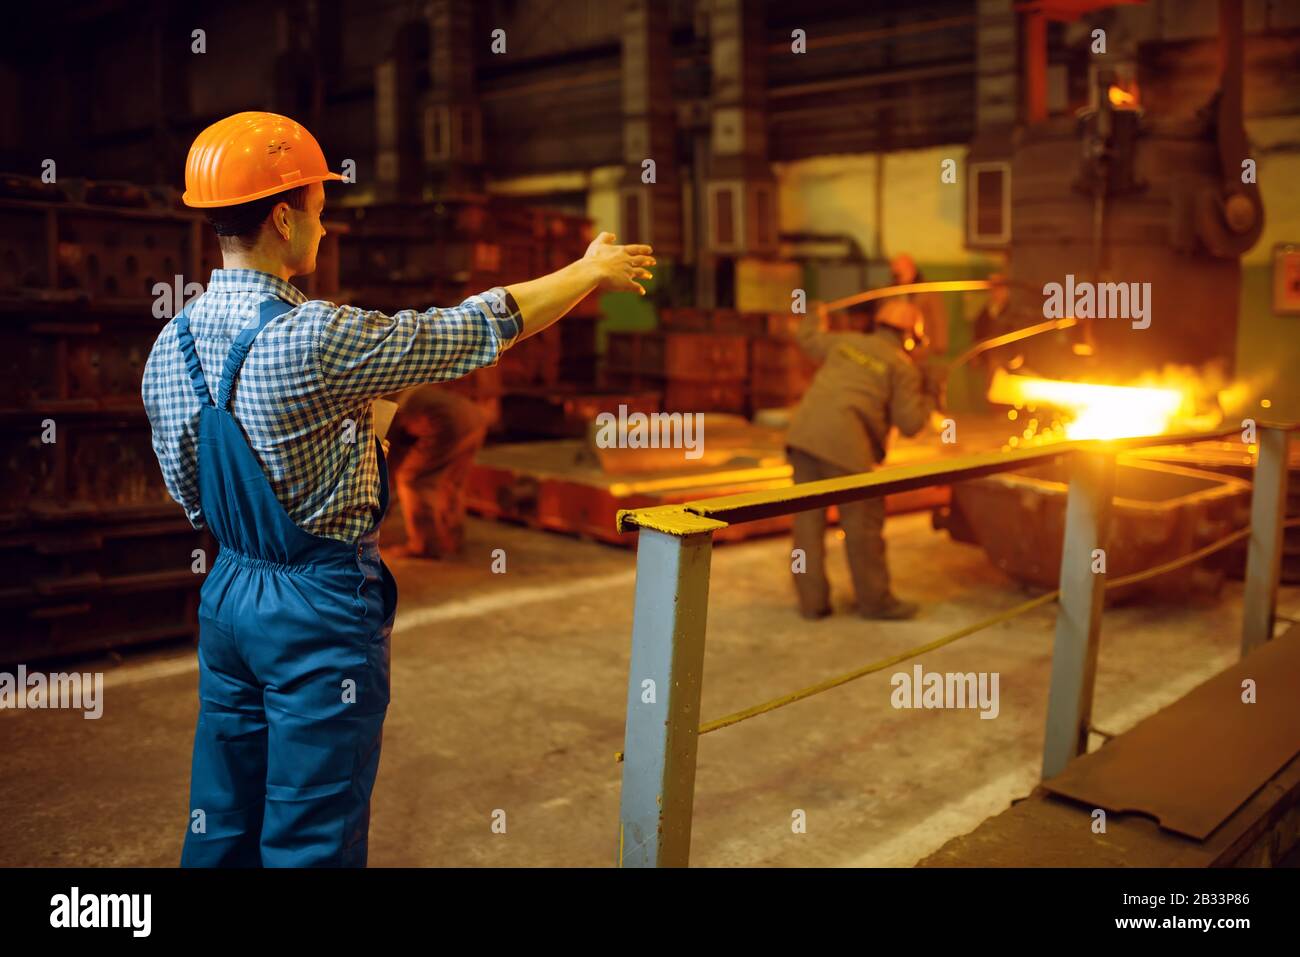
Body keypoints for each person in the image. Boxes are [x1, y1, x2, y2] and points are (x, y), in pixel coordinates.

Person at [142, 111, 653, 867]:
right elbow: (472, 329)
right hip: (317, 610)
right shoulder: (315, 333)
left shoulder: (170, 343)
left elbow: (193, 490)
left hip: (227, 597)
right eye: (319, 206)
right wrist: (586, 271)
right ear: (283, 218)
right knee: (312, 831)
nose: (326, 222)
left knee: (222, 815)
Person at [784, 299, 943, 621]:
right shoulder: (901, 367)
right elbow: (911, 423)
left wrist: (816, 314)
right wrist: (930, 395)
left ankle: (812, 604)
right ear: (910, 337)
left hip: (803, 439)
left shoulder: (846, 342)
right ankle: (876, 602)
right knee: (863, 528)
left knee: (807, 526)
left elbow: (808, 339)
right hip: (847, 449)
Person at [384, 386, 487, 559]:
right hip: (474, 416)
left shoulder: (382, 403)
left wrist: (380, 498)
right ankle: (451, 540)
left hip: (447, 420)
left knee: (413, 480)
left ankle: (423, 546)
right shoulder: (399, 390)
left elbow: (389, 456)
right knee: (450, 483)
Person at [888, 253, 949, 356]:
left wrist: (940, 345)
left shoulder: (927, 290)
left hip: (923, 347)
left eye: (902, 270)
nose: (899, 273)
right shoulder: (891, 292)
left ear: (912, 269)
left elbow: (938, 318)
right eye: (896, 272)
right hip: (899, 348)